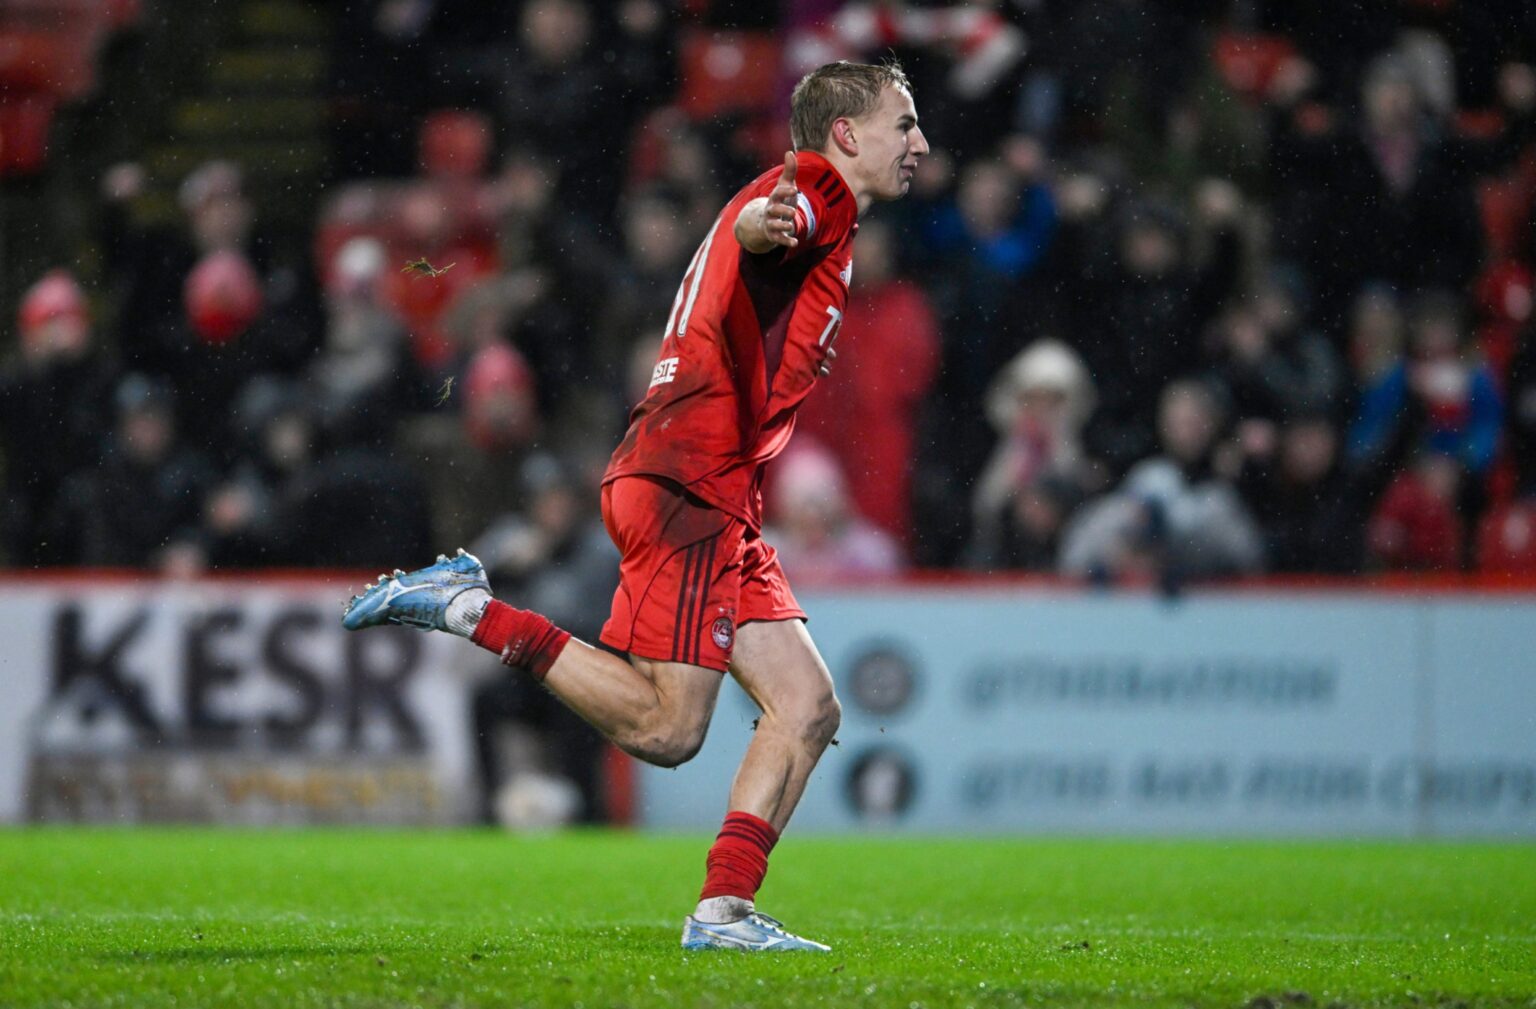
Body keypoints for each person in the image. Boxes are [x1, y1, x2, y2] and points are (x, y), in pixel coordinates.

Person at [343, 60, 929, 952]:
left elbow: (747, 233)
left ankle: (724, 911)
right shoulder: (818, 190)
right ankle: (470, 608)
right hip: (689, 479)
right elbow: (767, 219)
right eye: (904, 124)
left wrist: (756, 223)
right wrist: (767, 222)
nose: (920, 143)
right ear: (846, 135)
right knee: (667, 729)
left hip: (714, 489)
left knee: (807, 705)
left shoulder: (810, 200)